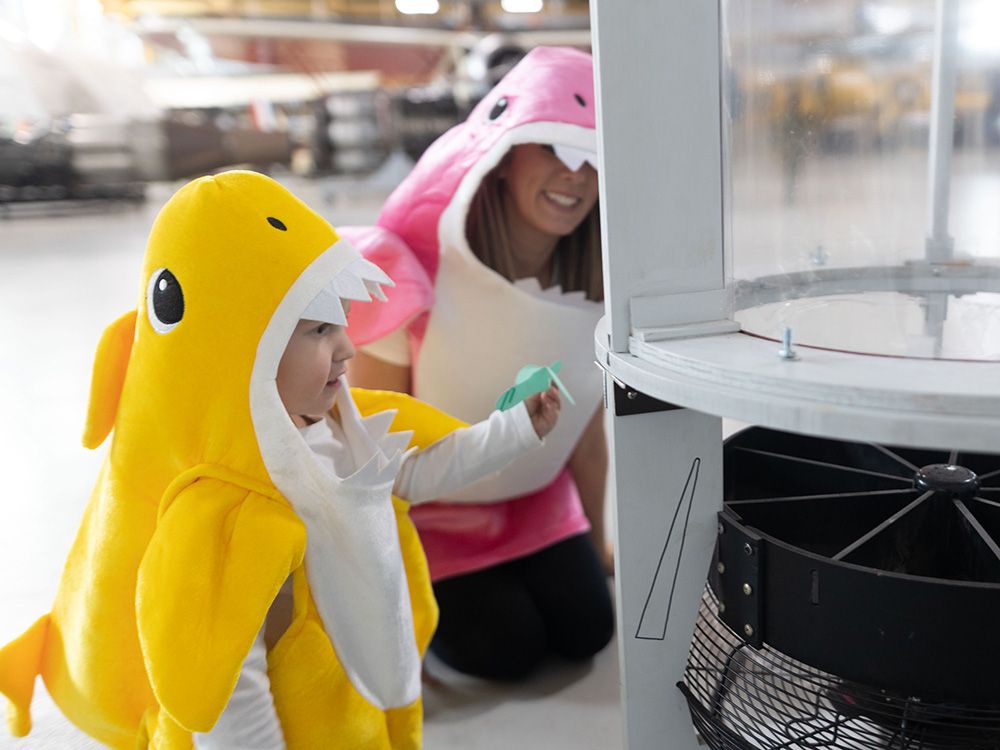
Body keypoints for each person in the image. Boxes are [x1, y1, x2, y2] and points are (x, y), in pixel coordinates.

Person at [0, 170, 560, 750]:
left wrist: (516, 429)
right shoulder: (229, 518)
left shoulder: (340, 427)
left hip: (363, 699)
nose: (347, 347)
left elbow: (416, 470)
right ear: (247, 351)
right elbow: (227, 696)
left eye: (341, 323)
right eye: (319, 330)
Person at [344, 46, 614, 681]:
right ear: (505, 153)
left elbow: (584, 435)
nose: (574, 173)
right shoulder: (415, 267)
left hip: (538, 504)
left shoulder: (598, 277)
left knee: (588, 630)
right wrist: (376, 596)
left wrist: (596, 540)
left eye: (593, 156)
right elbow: (365, 442)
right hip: (433, 520)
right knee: (506, 648)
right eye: (552, 147)